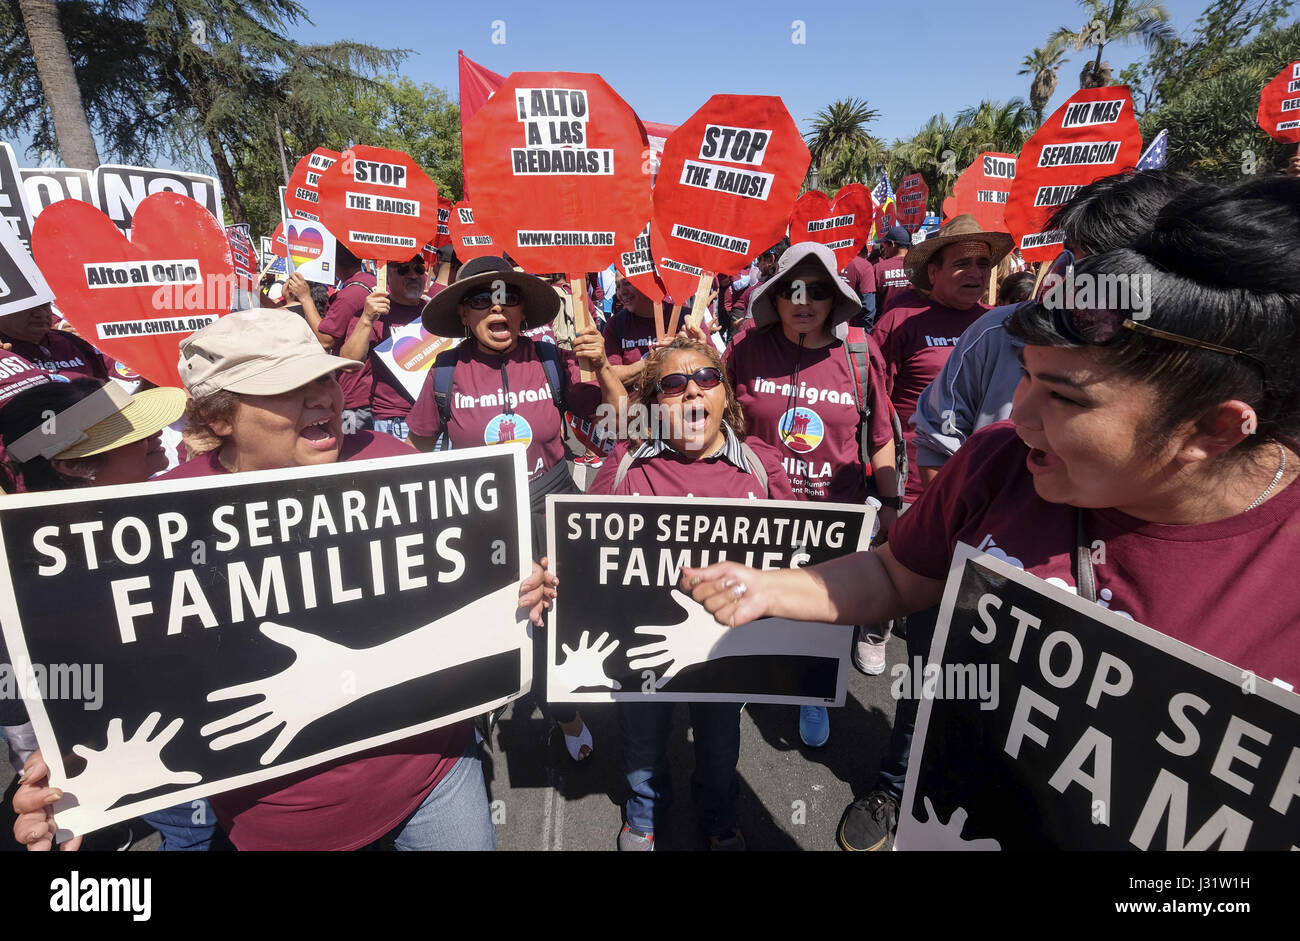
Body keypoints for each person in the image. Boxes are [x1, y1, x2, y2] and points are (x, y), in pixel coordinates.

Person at [682, 175, 1300, 852]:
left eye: (1064, 396)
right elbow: (896, 575)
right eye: (1024, 374)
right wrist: (767, 587)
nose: (1020, 415)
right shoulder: (996, 460)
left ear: (1213, 428)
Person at [13, 307, 558, 851]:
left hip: (438, 778)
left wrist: (519, 584)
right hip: (286, 825)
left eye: (323, 377)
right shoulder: (152, 527)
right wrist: (73, 771)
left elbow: (480, 587)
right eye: (288, 387)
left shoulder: (391, 460)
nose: (322, 397)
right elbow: (122, 678)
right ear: (218, 416)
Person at [408, 256, 626, 763]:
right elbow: (417, 452)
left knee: (554, 619)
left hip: (553, 506)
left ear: (523, 309)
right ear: (464, 314)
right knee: (491, 625)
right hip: (481, 520)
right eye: (481, 299)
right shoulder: (443, 372)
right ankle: (481, 703)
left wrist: (603, 368)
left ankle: (565, 714)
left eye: (508, 296)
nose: (497, 306)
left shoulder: (551, 359)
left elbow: (624, 423)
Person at [0, 363, 225, 849]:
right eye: (131, 435)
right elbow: (28, 692)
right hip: (144, 749)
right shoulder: (33, 573)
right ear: (71, 466)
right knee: (197, 832)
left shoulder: (159, 517)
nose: (155, 440)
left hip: (199, 733)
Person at [588, 337, 795, 850]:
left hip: (725, 645)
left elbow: (793, 554)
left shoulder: (762, 466)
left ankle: (718, 816)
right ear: (654, 406)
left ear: (725, 393)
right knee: (641, 740)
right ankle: (643, 816)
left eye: (706, 379)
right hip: (640, 643)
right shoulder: (624, 465)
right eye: (673, 385)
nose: (691, 392)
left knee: (721, 746)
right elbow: (585, 546)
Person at [725, 241, 899, 745]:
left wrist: (890, 507)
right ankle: (736, 680)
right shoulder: (745, 348)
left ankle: (812, 693)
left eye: (818, 291)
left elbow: (881, 437)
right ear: (775, 296)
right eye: (792, 290)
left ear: (835, 297)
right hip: (757, 511)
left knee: (822, 614)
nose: (804, 301)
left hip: (834, 516)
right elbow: (714, 416)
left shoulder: (858, 351)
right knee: (750, 601)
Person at [872, 214, 1011, 507]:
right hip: (912, 491)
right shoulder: (899, 323)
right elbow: (874, 406)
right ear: (933, 273)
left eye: (983, 264)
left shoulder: (997, 325)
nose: (975, 273)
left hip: (982, 491)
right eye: (962, 264)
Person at [318, 252, 429, 441]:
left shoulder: (433, 311)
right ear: (387, 275)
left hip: (434, 417)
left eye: (419, 269)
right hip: (395, 421)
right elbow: (348, 362)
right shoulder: (372, 312)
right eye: (403, 269)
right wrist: (367, 319)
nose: (413, 275)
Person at [0, 303, 108, 381]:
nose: (41, 314)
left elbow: (111, 379)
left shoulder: (72, 341)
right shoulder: (3, 351)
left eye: (45, 305)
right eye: (27, 307)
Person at [871, 226, 912, 315]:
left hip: (884, 323)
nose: (883, 248)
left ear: (893, 244)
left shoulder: (878, 268)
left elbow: (870, 304)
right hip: (911, 322)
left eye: (885, 244)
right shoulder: (918, 267)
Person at [841, 243, 878, 329]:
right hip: (850, 329)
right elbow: (868, 306)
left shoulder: (824, 261)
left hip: (821, 330)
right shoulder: (864, 265)